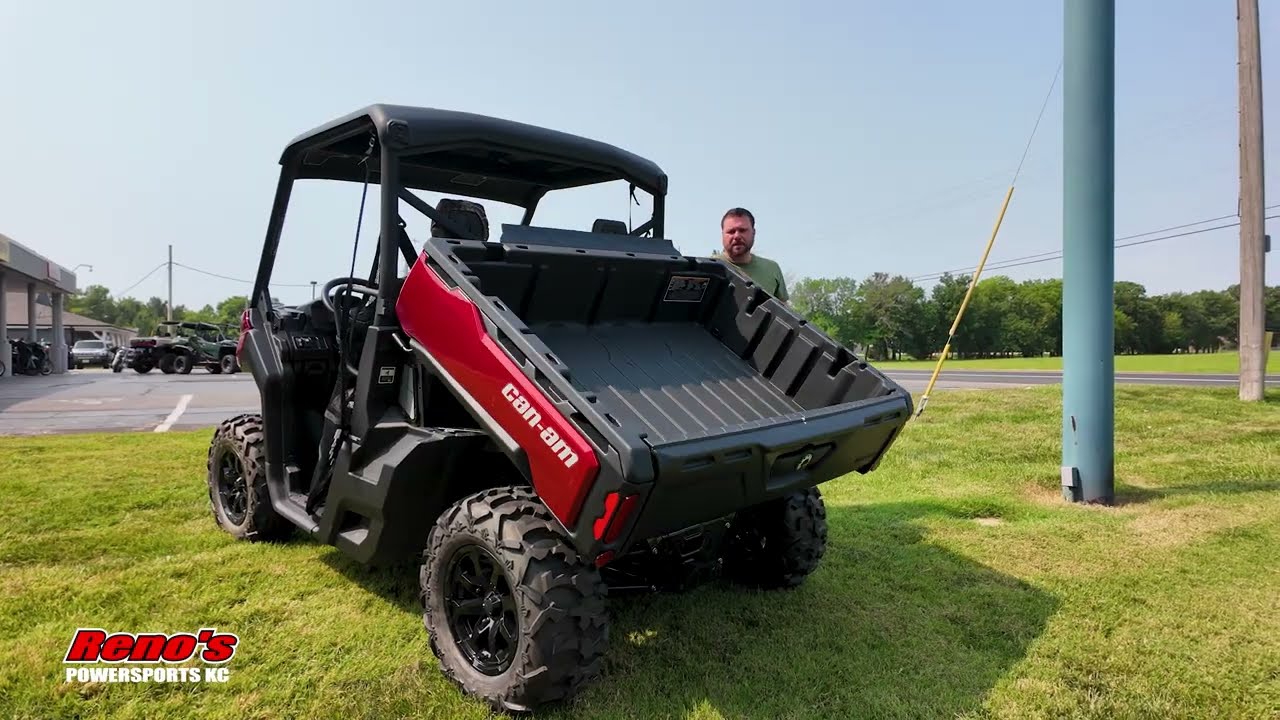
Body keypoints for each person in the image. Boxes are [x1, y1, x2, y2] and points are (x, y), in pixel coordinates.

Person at [715, 207, 789, 302]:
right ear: (722, 234)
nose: (737, 236)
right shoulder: (708, 268)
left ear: (753, 233)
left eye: (742, 230)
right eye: (731, 231)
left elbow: (783, 313)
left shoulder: (772, 269)